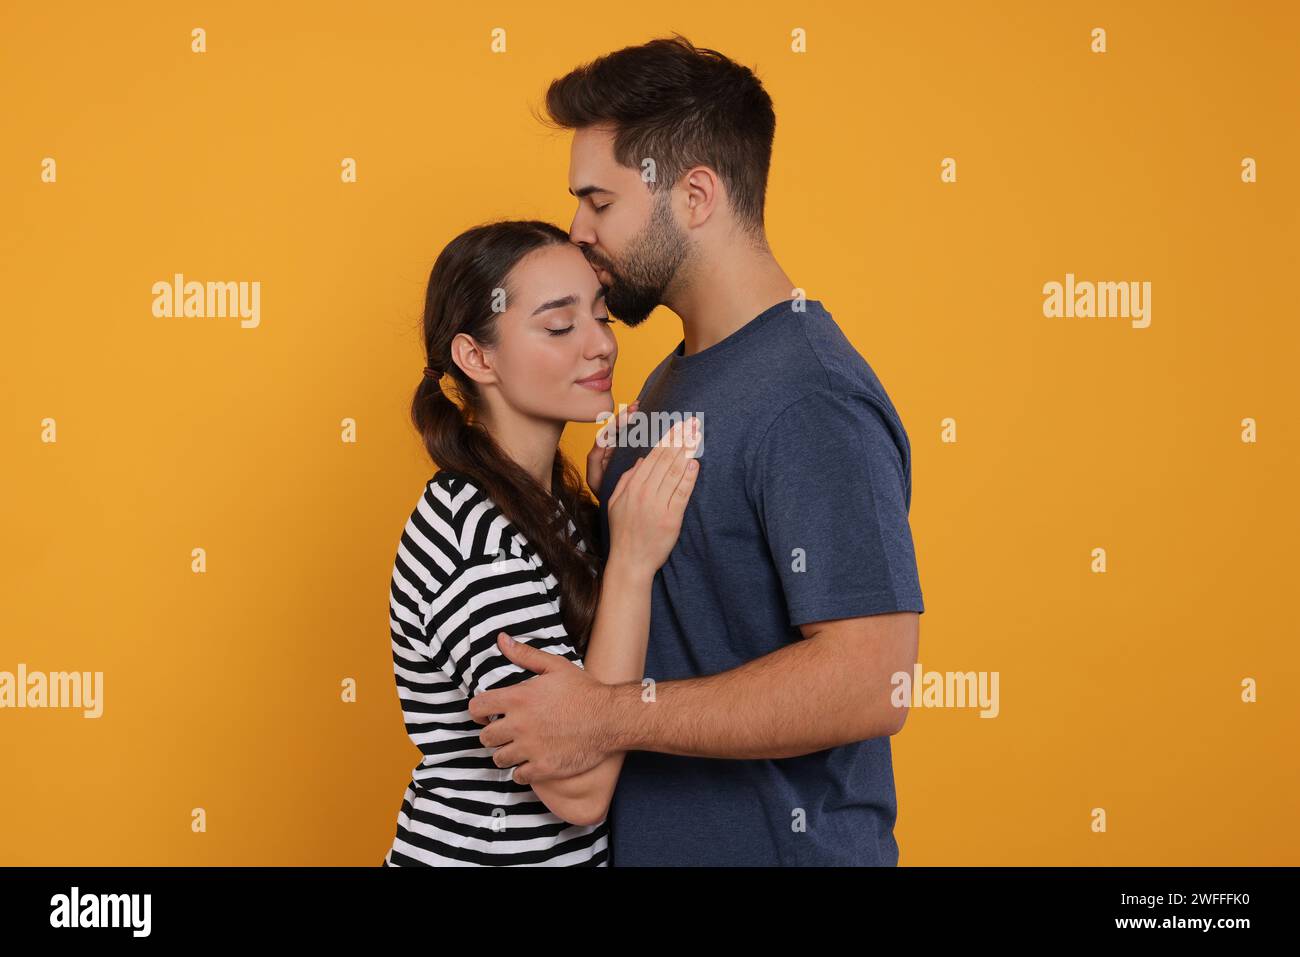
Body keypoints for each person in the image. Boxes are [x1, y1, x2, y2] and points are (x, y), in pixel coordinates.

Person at [467, 35, 926, 866]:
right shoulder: (678, 375)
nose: (578, 229)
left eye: (599, 202)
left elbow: (874, 679)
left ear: (696, 194)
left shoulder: (810, 396)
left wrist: (608, 715)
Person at [382, 219, 701, 866]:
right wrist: (632, 562)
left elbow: (589, 681)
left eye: (602, 316)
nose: (600, 346)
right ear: (477, 357)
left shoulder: (545, 504)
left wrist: (603, 516)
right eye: (560, 326)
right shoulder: (473, 537)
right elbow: (579, 791)